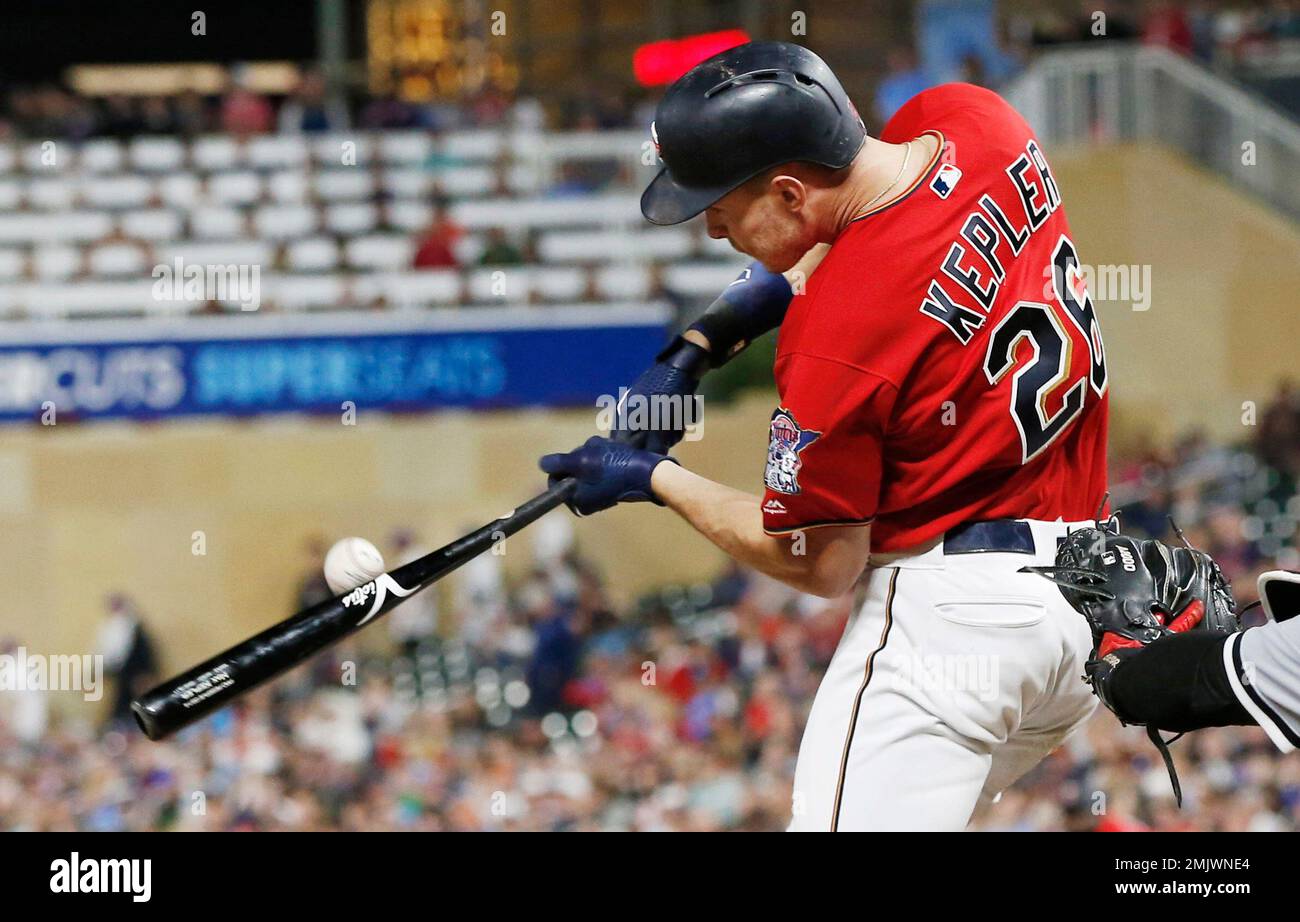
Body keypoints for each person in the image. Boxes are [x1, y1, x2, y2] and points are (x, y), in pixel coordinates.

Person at [539, 41, 1110, 830]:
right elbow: (884, 235)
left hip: (953, 627)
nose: (711, 228)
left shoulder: (831, 339)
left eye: (721, 206)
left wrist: (648, 478)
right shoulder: (980, 123)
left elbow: (820, 561)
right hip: (1088, 605)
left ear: (786, 188)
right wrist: (700, 345)